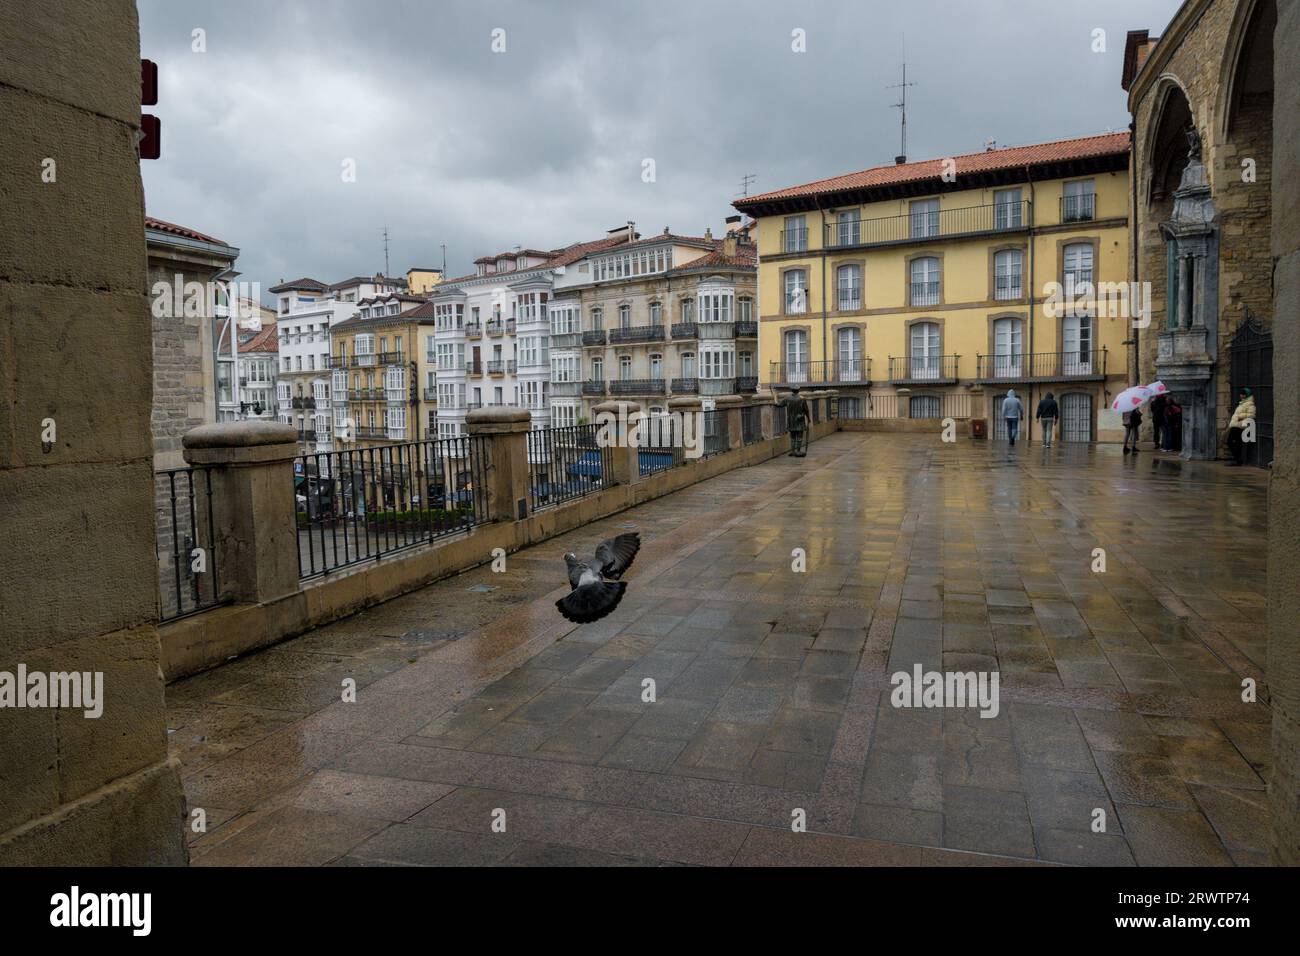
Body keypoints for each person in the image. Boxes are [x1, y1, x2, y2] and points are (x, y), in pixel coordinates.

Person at [1226, 387, 1256, 466]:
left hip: (1240, 425)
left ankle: (1237, 459)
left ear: (1247, 395)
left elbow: (1252, 415)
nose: (1241, 396)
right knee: (1237, 443)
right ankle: (1238, 460)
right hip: (1236, 425)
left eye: (1243, 394)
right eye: (1241, 394)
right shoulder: (1242, 403)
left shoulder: (1250, 404)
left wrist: (1240, 416)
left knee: (1230, 442)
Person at [781, 387, 810, 458]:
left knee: (793, 437)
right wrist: (808, 418)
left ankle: (793, 451)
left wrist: (774, 402)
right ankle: (798, 451)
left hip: (791, 421)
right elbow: (806, 410)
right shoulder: (802, 398)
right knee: (799, 436)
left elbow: (779, 405)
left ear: (792, 390)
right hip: (799, 420)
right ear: (798, 390)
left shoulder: (787, 398)